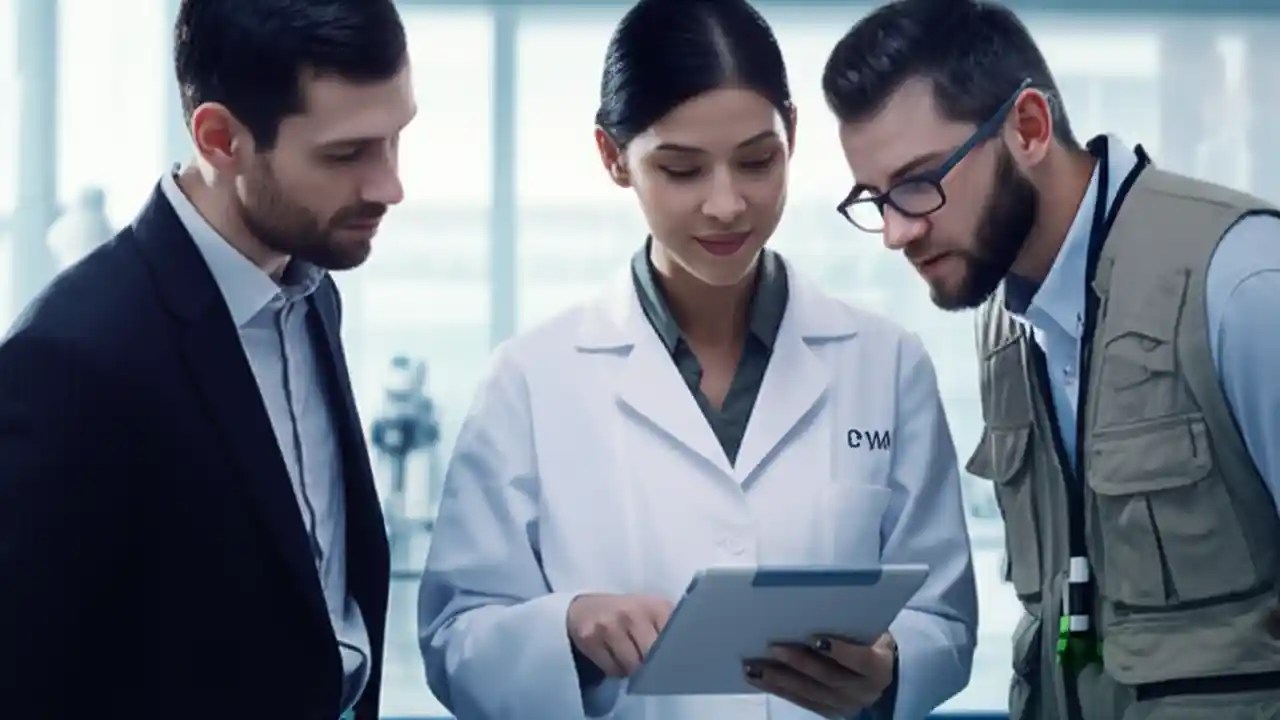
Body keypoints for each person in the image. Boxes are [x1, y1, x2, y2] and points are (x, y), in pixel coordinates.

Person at [417, 1, 977, 718]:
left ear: (794, 136)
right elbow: (454, 638)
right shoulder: (531, 379)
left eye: (756, 161)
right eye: (681, 170)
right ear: (613, 157)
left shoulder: (886, 365)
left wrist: (891, 668)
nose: (726, 205)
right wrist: (565, 629)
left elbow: (946, 620)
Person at [822, 1, 1280, 718]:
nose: (896, 232)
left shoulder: (1241, 281)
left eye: (917, 183)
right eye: (877, 199)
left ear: (1029, 128)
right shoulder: (1004, 331)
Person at [0, 0, 415, 716]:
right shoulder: (68, 360)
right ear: (221, 139)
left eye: (395, 139)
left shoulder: (313, 293)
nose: (390, 187)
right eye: (346, 154)